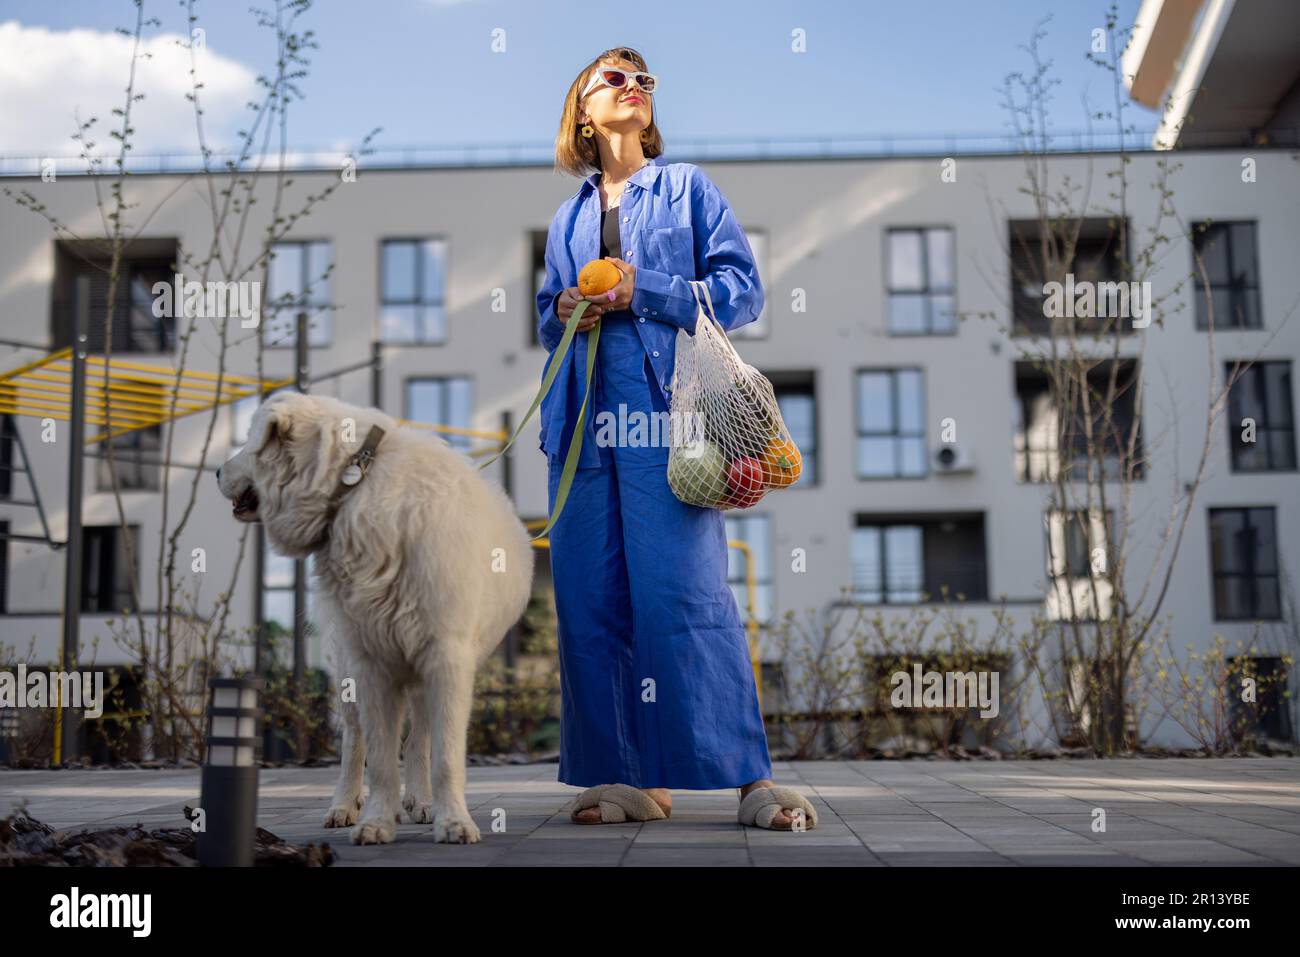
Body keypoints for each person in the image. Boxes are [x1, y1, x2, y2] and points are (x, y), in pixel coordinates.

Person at [534, 47, 818, 831]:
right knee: (591, 602)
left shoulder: (687, 188)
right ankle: (628, 779)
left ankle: (749, 778)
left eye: (644, 82)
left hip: (670, 422)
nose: (635, 89)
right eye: (616, 79)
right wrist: (564, 309)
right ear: (584, 112)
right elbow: (541, 315)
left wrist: (643, 288)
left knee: (683, 596)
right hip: (583, 429)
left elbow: (741, 290)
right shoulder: (566, 218)